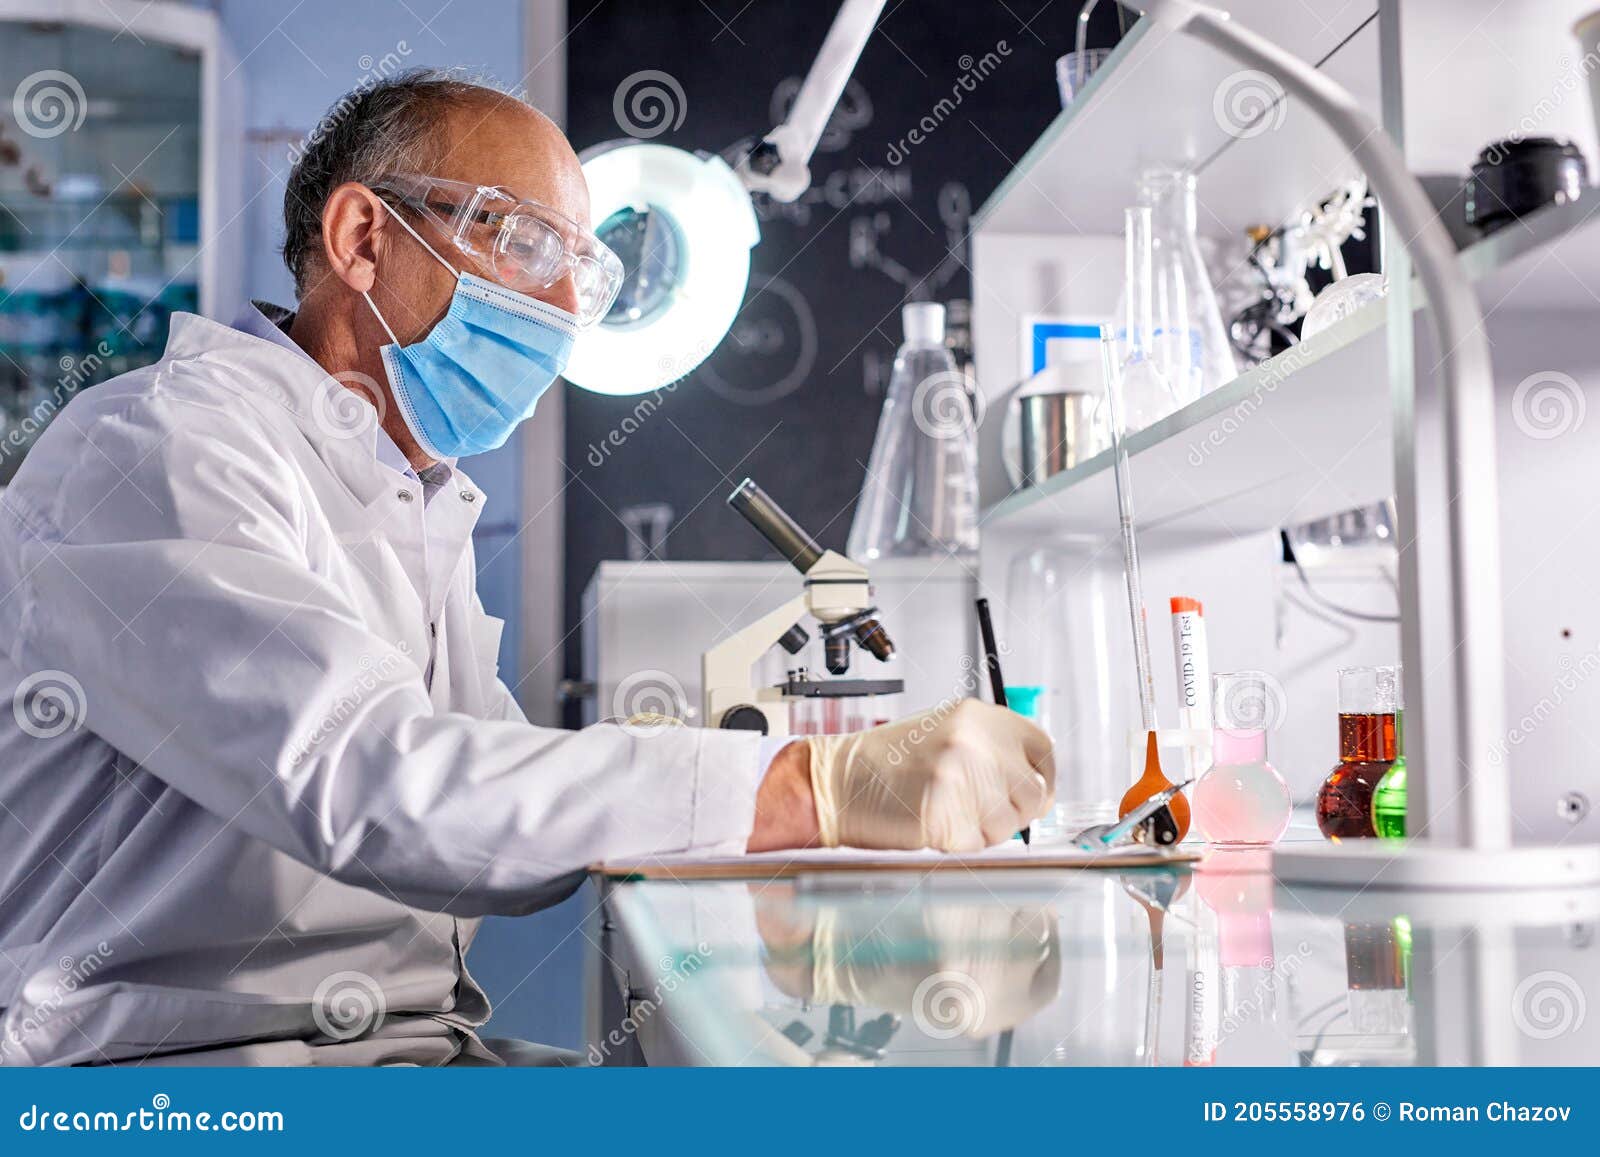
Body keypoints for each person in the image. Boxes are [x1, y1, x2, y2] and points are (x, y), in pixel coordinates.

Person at [0, 71, 1052, 1066]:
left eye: (585, 271)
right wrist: (807, 786)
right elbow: (378, 785)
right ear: (363, 237)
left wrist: (800, 819)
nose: (561, 305)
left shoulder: (408, 494)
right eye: (527, 240)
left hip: (397, 1051)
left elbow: (491, 782)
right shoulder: (157, 448)